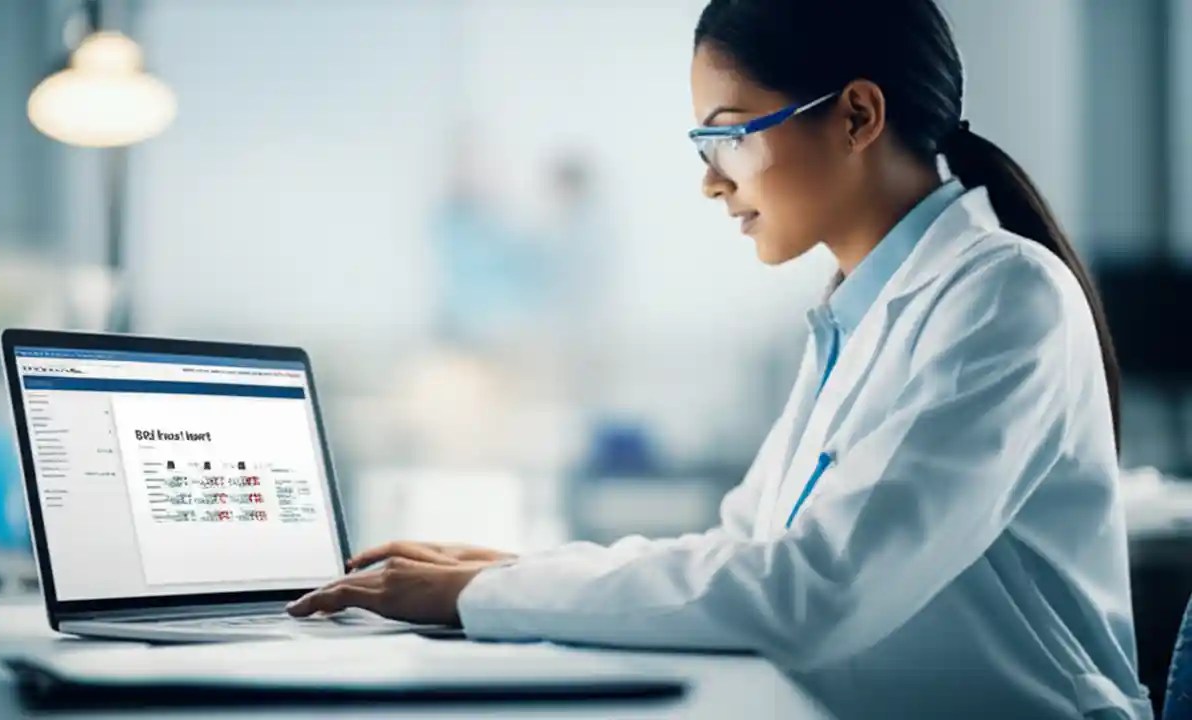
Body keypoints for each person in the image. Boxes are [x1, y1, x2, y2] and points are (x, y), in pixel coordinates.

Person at [288, 0, 1151, 716]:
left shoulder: (1003, 296)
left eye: (732, 135)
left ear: (857, 115)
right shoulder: (856, 311)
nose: (711, 181)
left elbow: (814, 593)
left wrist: (478, 600)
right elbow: (743, 550)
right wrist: (509, 571)